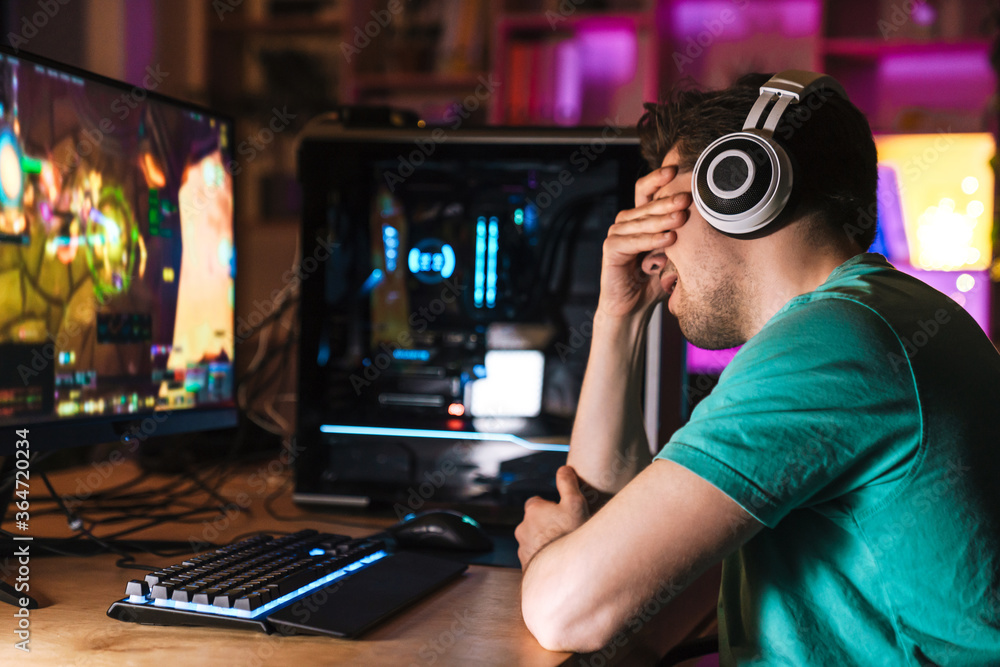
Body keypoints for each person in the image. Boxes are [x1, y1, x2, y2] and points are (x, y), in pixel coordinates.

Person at [514, 72, 1000, 665]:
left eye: (664, 209)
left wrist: (551, 554)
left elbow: (567, 609)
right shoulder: (879, 317)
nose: (653, 246)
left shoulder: (835, 344)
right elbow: (634, 585)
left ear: (739, 185)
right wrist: (621, 317)